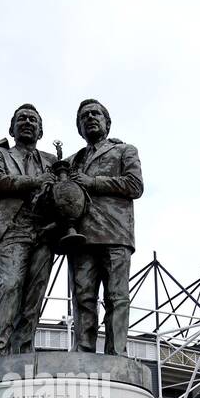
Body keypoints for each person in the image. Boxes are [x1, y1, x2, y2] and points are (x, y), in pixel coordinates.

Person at [0, 103, 57, 358]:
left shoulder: (52, 161)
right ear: (12, 129)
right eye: (22, 119)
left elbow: (72, 183)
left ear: (41, 131)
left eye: (33, 120)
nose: (27, 122)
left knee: (34, 295)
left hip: (44, 233)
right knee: (10, 285)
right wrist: (37, 182)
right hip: (12, 229)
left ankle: (23, 350)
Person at [69, 99, 143, 356]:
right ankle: (83, 350)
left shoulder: (124, 150)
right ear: (79, 128)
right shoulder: (72, 161)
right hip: (80, 238)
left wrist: (93, 182)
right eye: (84, 116)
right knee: (82, 298)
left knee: (116, 297)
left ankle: (117, 353)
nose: (90, 118)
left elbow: (135, 186)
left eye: (95, 114)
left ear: (107, 122)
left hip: (115, 234)